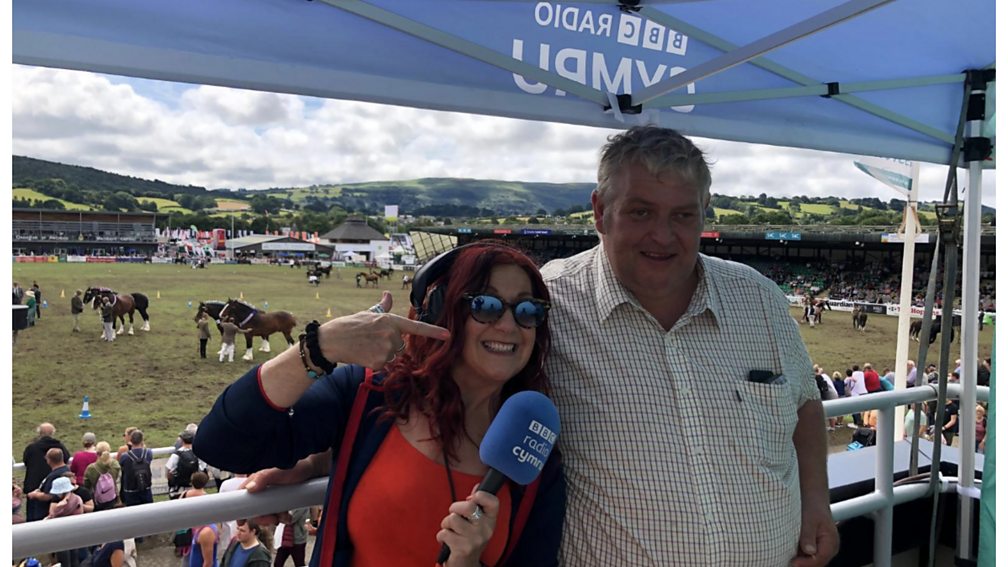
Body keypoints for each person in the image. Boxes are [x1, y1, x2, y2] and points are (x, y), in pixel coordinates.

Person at [537, 126, 837, 566]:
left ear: (704, 213)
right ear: (600, 212)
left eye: (682, 216)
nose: (662, 235)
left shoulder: (759, 299)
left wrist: (816, 504)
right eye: (640, 213)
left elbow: (805, 405)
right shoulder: (547, 305)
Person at [195, 241, 564, 567]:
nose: (509, 325)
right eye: (486, 305)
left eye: (527, 311)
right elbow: (220, 442)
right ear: (441, 311)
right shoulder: (368, 396)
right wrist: (318, 347)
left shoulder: (533, 449)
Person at [22, 423, 70, 522]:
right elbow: (66, 458)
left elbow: (26, 460)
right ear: (53, 433)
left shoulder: (32, 448)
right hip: (55, 489)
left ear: (39, 433)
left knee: (33, 519)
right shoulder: (60, 447)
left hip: (34, 487)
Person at [166, 430, 207, 500]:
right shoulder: (198, 453)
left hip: (179, 488)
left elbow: (168, 469)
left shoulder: (177, 454)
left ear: (182, 441)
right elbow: (203, 469)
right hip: (196, 488)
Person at [118, 430, 153, 508]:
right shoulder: (148, 453)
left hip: (130, 491)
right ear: (142, 440)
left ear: (130, 440)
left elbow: (121, 466)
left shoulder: (125, 457)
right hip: (146, 489)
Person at [83, 441, 122, 511]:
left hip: (98, 501)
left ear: (97, 453)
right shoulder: (115, 465)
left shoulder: (91, 468)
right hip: (112, 497)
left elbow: (86, 486)